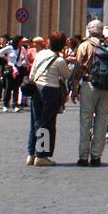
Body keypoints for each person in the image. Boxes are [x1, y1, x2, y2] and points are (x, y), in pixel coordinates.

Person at [74, 20, 108, 166]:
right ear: (101, 32)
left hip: (89, 85)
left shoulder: (85, 45)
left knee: (86, 120)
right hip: (106, 88)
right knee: (101, 121)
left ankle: (83, 156)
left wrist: (74, 88)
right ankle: (96, 156)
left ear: (89, 30)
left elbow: (79, 67)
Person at [26, 32, 70, 166]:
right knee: (47, 123)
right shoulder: (59, 60)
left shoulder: (40, 54)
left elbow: (32, 73)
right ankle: (42, 156)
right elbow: (66, 75)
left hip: (36, 89)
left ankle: (31, 154)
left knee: (35, 121)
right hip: (51, 90)